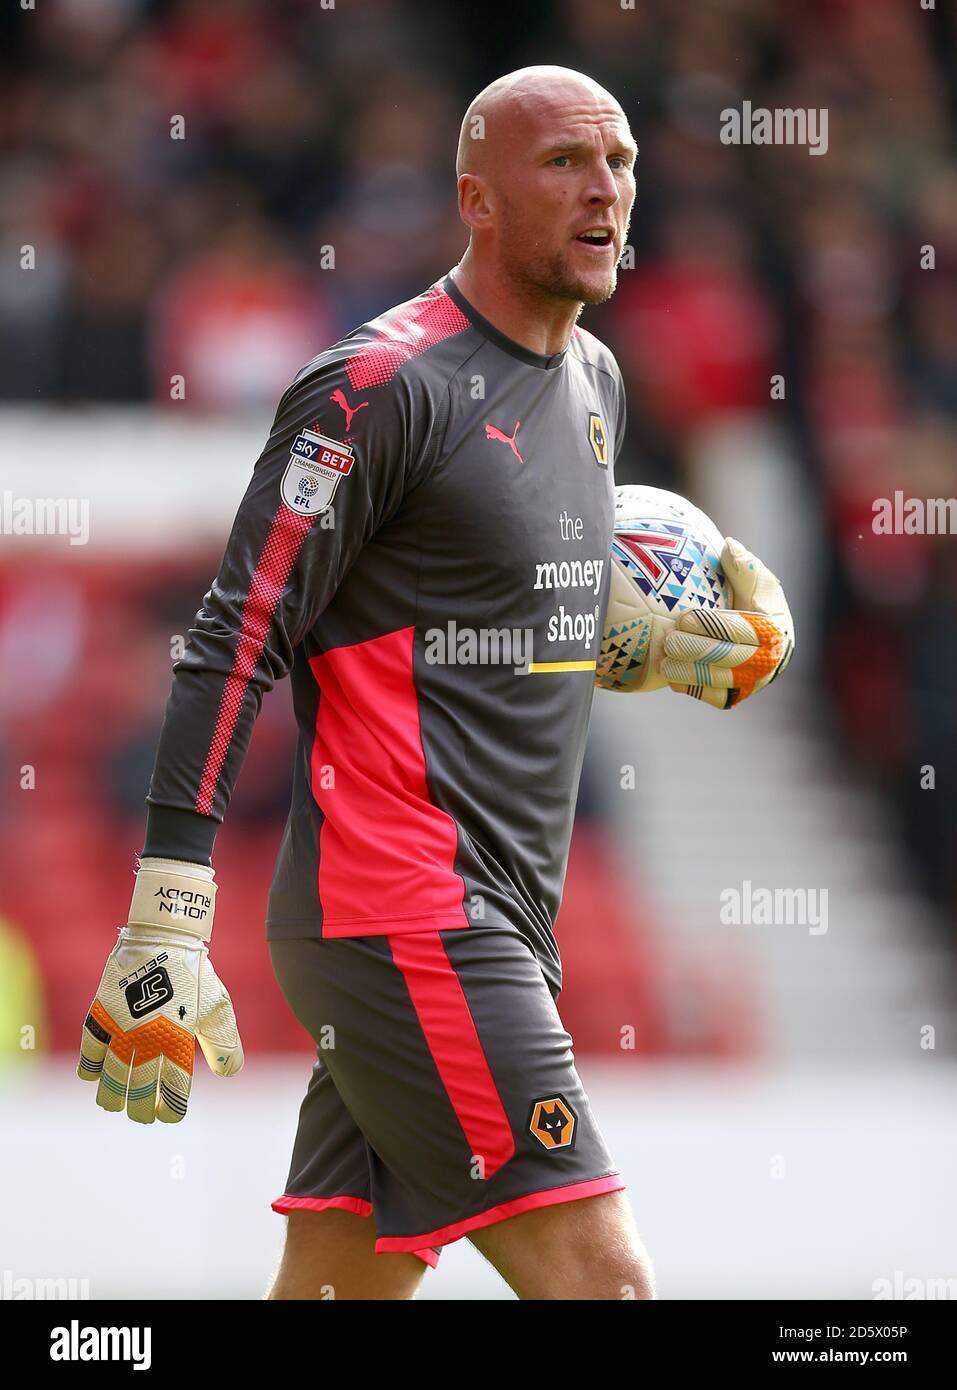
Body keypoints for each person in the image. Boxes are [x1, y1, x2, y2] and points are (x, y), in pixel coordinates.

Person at [77, 65, 792, 1300]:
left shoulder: (599, 384)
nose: (607, 190)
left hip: (488, 915)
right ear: (476, 197)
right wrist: (166, 908)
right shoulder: (376, 386)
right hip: (411, 911)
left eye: (620, 162)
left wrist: (653, 650)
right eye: (565, 161)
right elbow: (235, 632)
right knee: (605, 1285)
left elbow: (487, 619)